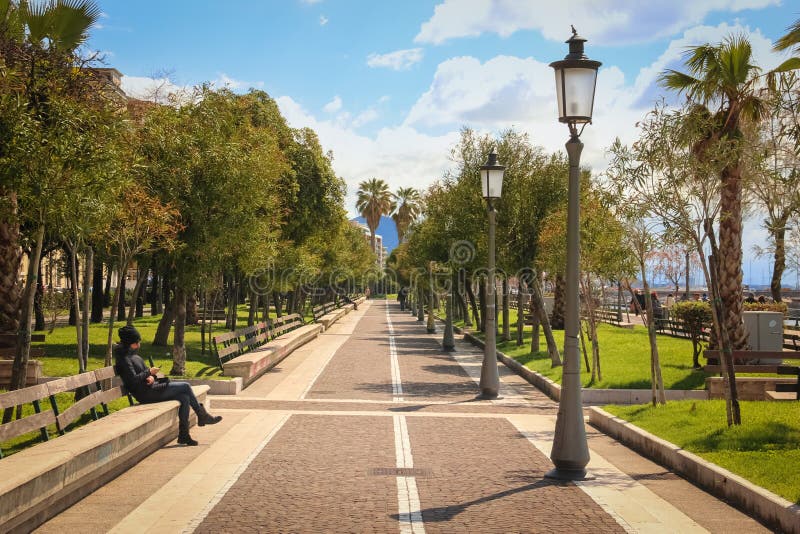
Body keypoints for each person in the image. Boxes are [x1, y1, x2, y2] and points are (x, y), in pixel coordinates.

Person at [114, 325, 221, 446]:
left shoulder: (134, 356)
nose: (139, 344)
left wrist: (151, 376)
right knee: (185, 386)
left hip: (150, 389)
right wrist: (149, 372)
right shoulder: (124, 359)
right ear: (131, 343)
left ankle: (184, 435)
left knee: (184, 398)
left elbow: (144, 375)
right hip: (145, 394)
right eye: (137, 342)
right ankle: (202, 415)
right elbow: (132, 380)